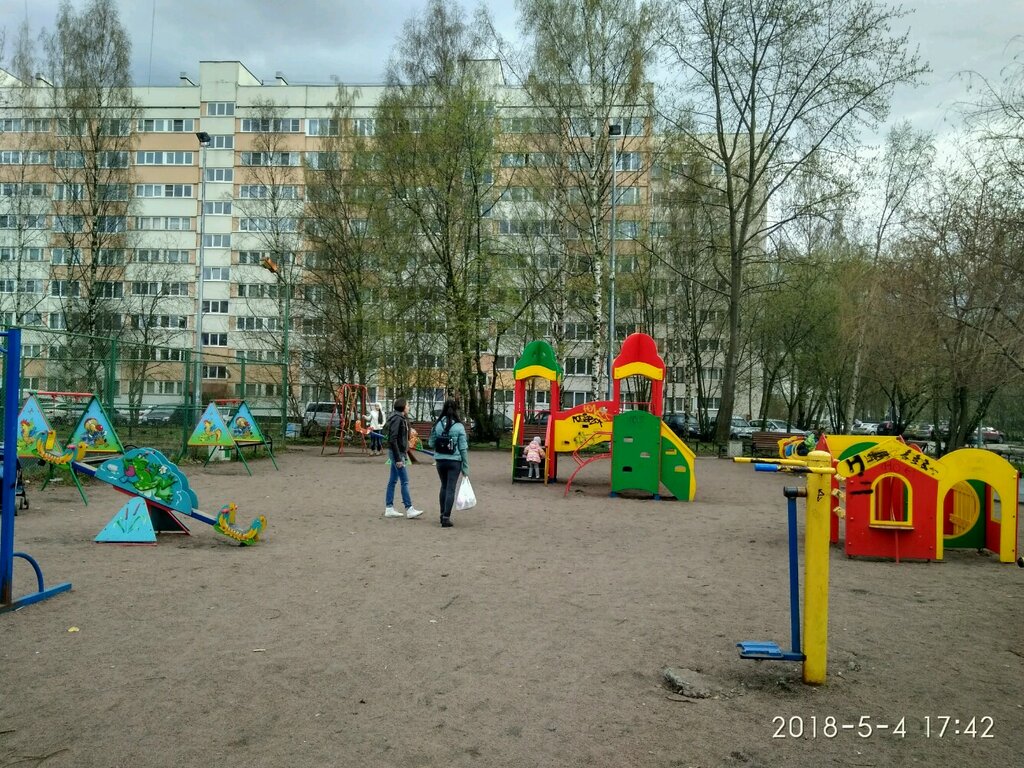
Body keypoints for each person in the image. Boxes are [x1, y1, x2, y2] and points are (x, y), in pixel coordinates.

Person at [429, 399, 470, 528]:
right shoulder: (459, 426)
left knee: (444, 486)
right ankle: (446, 517)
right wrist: (465, 467)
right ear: (456, 409)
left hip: (440, 460)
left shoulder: (437, 425)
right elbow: (463, 448)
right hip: (454, 461)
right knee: (451, 488)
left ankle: (442, 515)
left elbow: (431, 443)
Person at [383, 397, 423, 519]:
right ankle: (409, 508)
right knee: (404, 481)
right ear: (403, 406)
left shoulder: (401, 418)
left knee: (393, 480)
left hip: (399, 452)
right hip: (397, 453)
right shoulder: (397, 419)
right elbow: (393, 439)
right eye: (407, 405)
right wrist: (399, 459)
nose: (409, 406)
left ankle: (389, 507)